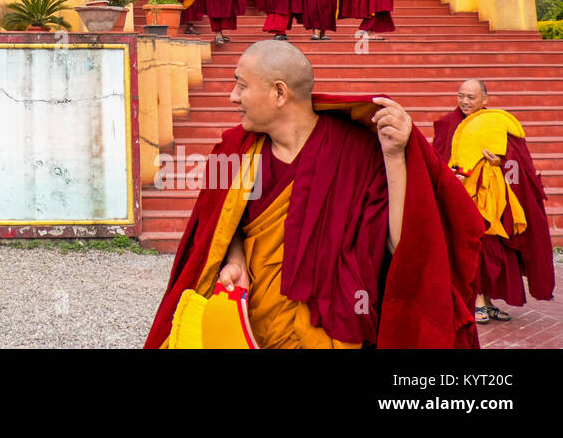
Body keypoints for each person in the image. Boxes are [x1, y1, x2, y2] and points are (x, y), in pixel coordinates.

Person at [145, 41, 483, 349]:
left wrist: (394, 157)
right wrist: (235, 260)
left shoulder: (357, 149)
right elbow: (218, 230)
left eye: (242, 85)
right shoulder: (232, 151)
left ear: (279, 93)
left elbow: (399, 246)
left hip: (334, 330)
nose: (233, 96)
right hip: (254, 325)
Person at [432, 80, 555, 323]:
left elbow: (520, 164)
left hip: (494, 198)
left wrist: (499, 162)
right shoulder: (448, 124)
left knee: (493, 249)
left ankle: (486, 301)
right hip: (463, 198)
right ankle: (476, 301)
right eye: (461, 96)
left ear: (485, 100)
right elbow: (438, 159)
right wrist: (450, 174)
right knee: (474, 246)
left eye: (471, 97)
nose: (465, 102)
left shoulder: (499, 124)